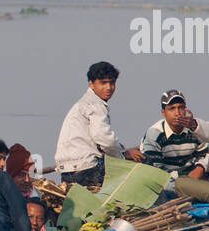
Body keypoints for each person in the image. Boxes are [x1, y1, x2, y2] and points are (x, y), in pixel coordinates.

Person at [54, 61, 143, 191]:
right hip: (86, 169)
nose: (108, 87)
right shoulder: (95, 105)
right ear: (91, 83)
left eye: (112, 83)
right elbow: (105, 140)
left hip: (67, 172)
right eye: (103, 83)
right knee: (140, 166)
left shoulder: (83, 104)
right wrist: (123, 155)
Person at [140, 89, 209, 180]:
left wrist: (199, 168)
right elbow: (155, 170)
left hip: (191, 176)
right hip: (165, 180)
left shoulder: (194, 128)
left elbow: (204, 156)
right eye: (172, 108)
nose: (177, 113)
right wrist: (184, 177)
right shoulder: (155, 133)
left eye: (181, 107)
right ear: (163, 112)